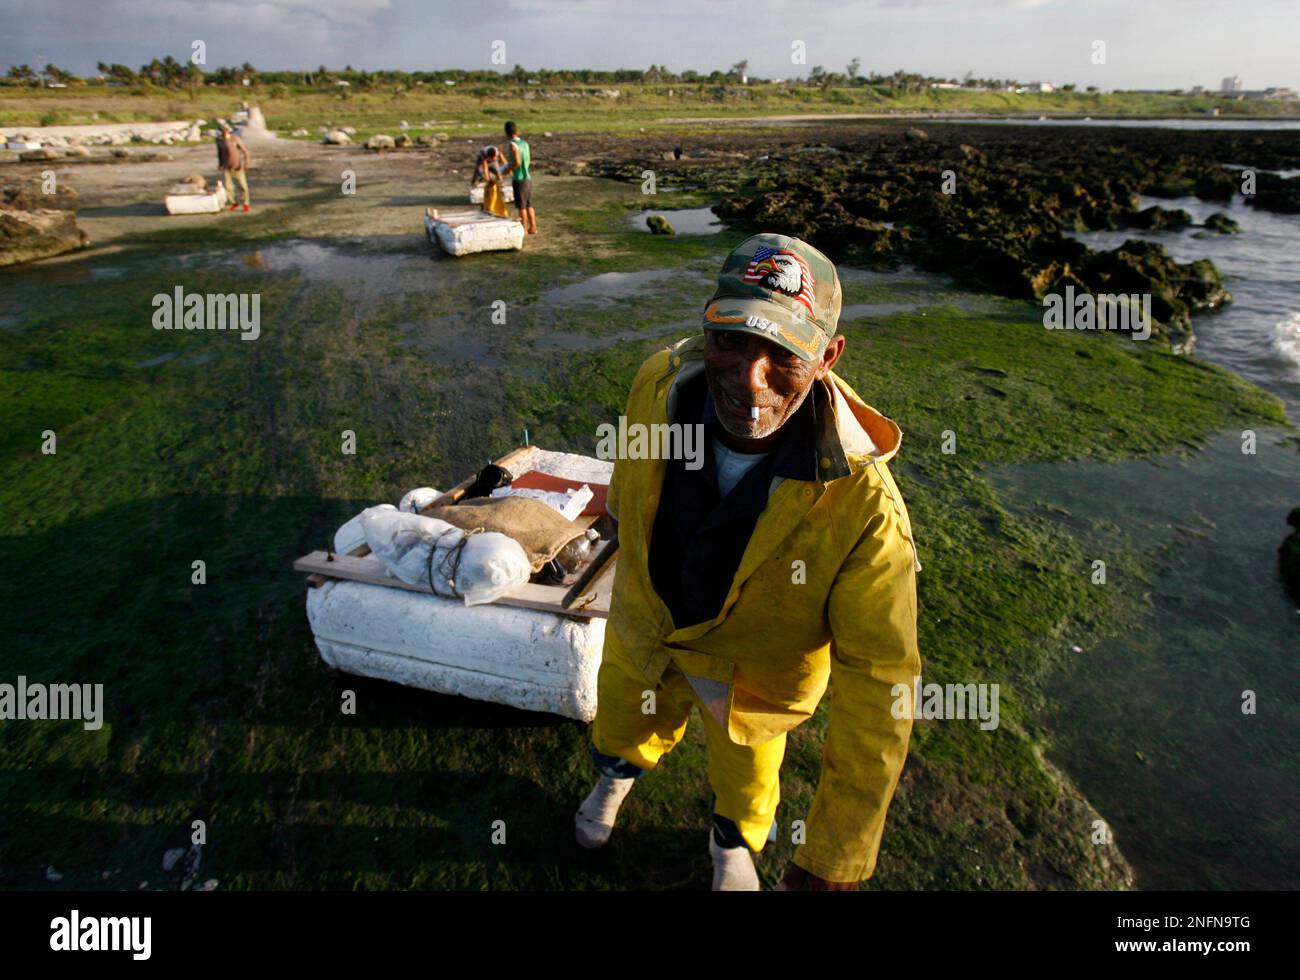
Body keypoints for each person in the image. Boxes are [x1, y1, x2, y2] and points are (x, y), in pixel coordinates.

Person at [576, 233, 922, 891]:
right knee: (622, 723)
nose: (747, 380)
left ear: (828, 356)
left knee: (748, 774)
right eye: (730, 341)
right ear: (706, 324)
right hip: (646, 629)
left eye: (783, 352)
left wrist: (832, 861)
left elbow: (879, 687)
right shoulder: (660, 384)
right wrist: (618, 527)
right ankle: (612, 785)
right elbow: (630, 475)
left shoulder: (865, 511)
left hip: (751, 678)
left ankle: (730, 842)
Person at [502, 121, 536, 235]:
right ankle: (533, 227)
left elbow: (516, 162)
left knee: (521, 206)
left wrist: (507, 170)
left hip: (519, 179)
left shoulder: (512, 145)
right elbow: (527, 160)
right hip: (528, 177)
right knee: (529, 204)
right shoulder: (525, 143)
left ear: (506, 132)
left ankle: (524, 229)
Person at [216, 122, 251, 213]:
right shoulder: (219, 141)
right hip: (226, 167)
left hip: (237, 166)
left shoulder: (235, 139)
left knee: (243, 186)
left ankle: (246, 203)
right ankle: (233, 202)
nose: (224, 132)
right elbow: (219, 154)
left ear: (229, 131)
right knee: (228, 187)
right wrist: (220, 164)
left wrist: (246, 162)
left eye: (226, 130)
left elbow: (245, 151)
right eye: (222, 130)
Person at [472, 146, 510, 218]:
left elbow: (504, 161)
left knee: (498, 172)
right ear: (489, 156)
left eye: (495, 157)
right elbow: (485, 168)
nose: (493, 159)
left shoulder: (497, 151)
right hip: (481, 161)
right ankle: (473, 184)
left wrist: (508, 168)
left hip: (492, 160)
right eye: (492, 158)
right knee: (478, 172)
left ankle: (501, 188)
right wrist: (488, 180)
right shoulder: (483, 154)